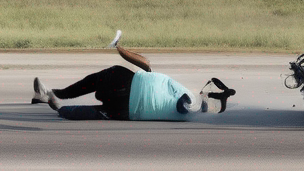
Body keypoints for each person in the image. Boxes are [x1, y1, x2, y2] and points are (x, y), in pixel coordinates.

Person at [31, 35, 235, 121]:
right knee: (96, 112)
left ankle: (55, 96)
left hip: (128, 87)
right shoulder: (187, 112)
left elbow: (183, 105)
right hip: (127, 110)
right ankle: (55, 103)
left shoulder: (190, 100)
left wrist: (190, 103)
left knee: (95, 81)